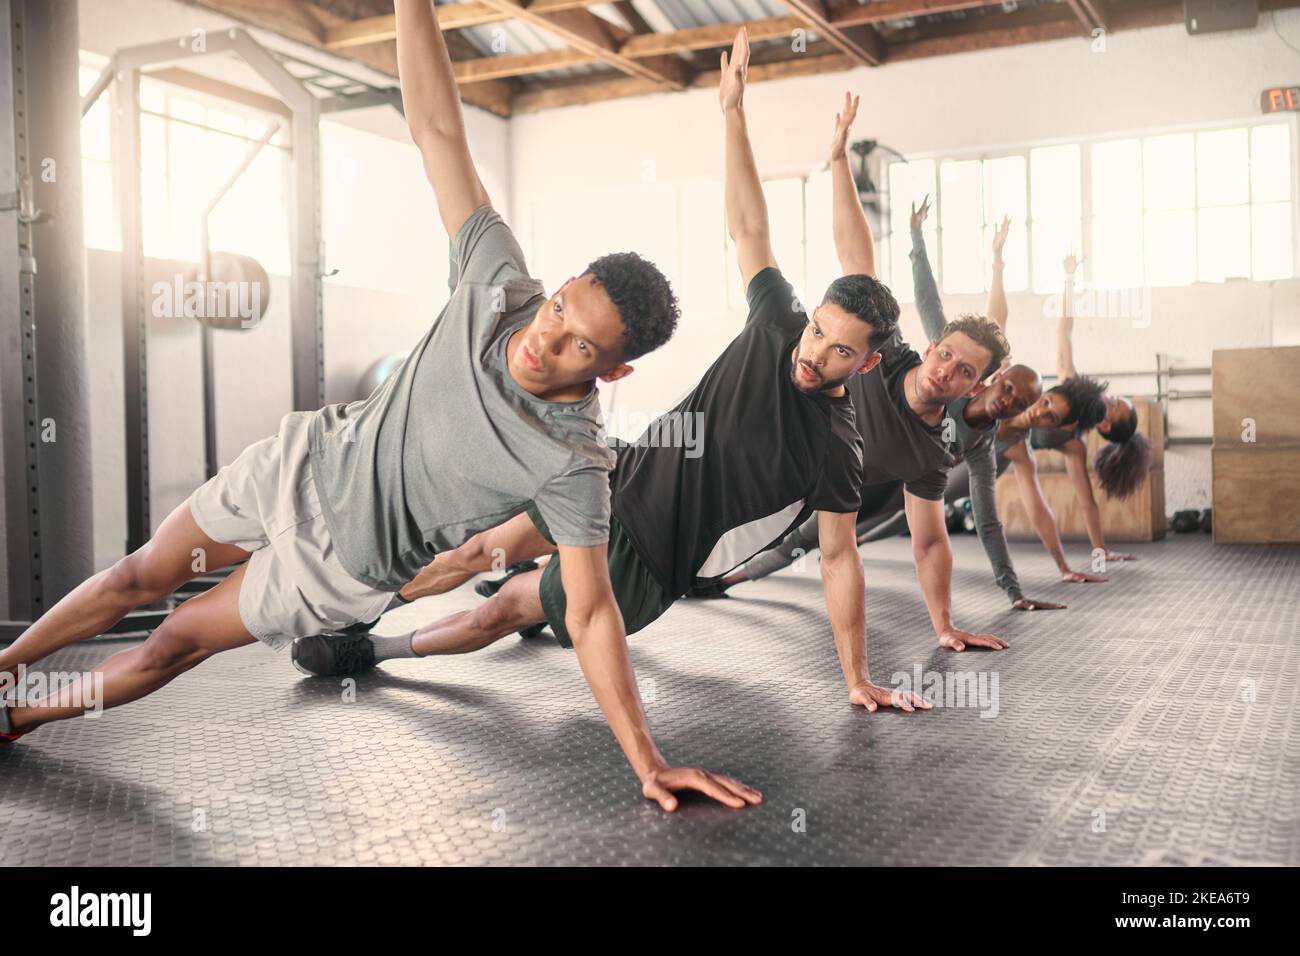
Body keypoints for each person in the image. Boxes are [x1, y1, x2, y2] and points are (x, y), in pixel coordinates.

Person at [0, 1, 732, 815]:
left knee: (174, 642)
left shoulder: (574, 461)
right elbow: (437, 130)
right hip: (300, 464)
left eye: (580, 348)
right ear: (559, 285)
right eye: (560, 308)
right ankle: (5, 667)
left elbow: (593, 614)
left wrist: (648, 760)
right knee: (139, 573)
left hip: (341, 565)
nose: (546, 341)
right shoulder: (497, 285)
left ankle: (15, 719)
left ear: (616, 370)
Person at [292, 34, 931, 728]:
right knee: (476, 550)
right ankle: (359, 611)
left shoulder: (838, 449)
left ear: (867, 364)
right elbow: (748, 224)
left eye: (840, 353)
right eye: (818, 333)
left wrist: (858, 676)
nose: (815, 354)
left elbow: (839, 562)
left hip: (650, 558)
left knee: (501, 609)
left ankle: (373, 652)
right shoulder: (780, 321)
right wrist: (731, 110)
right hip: (615, 480)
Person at [698, 101, 1047, 641]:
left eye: (963, 373)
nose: (945, 372)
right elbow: (853, 256)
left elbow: (930, 542)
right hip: (737, 444)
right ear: (931, 346)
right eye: (946, 355)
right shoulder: (881, 349)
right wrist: (838, 159)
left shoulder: (934, 455)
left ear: (975, 386)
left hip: (798, 495)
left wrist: (946, 627)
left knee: (747, 550)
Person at [989, 249, 1136, 579]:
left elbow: (1086, 504)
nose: (1110, 398)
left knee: (941, 493)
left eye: (1115, 406)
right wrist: (1069, 279)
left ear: (1107, 424)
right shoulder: (1069, 386)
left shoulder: (1074, 445)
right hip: (995, 427)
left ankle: (870, 528)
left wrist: (1100, 552)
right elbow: (1063, 332)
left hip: (1006, 450)